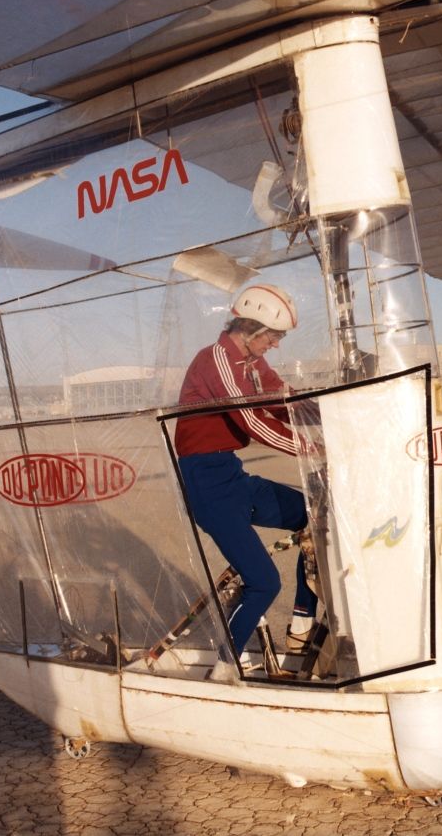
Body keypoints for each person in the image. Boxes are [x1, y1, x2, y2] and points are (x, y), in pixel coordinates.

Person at [175, 284, 319, 670]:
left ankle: (302, 626)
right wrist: (310, 448)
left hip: (232, 475)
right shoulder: (217, 359)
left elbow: (281, 398)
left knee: (316, 517)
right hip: (207, 484)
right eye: (273, 336)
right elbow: (252, 419)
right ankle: (225, 666)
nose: (275, 345)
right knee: (264, 582)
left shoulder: (251, 363)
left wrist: (330, 415)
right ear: (251, 328)